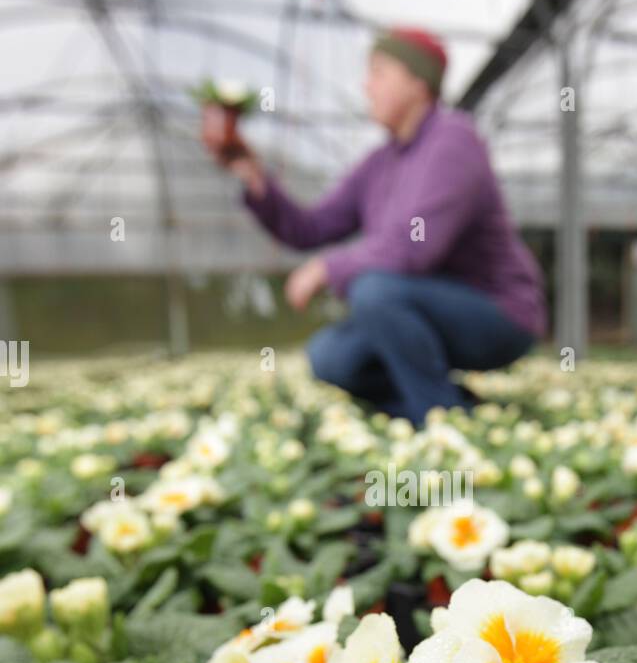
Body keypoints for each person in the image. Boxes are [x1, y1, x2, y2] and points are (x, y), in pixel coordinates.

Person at [202, 26, 548, 427]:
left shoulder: (454, 141)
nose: (367, 86)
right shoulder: (379, 163)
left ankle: (441, 423)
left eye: (379, 72)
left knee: (374, 291)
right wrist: (252, 175)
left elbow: (415, 246)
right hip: (419, 309)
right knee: (330, 357)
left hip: (496, 314)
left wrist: (327, 268)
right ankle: (457, 405)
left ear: (418, 83)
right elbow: (310, 228)